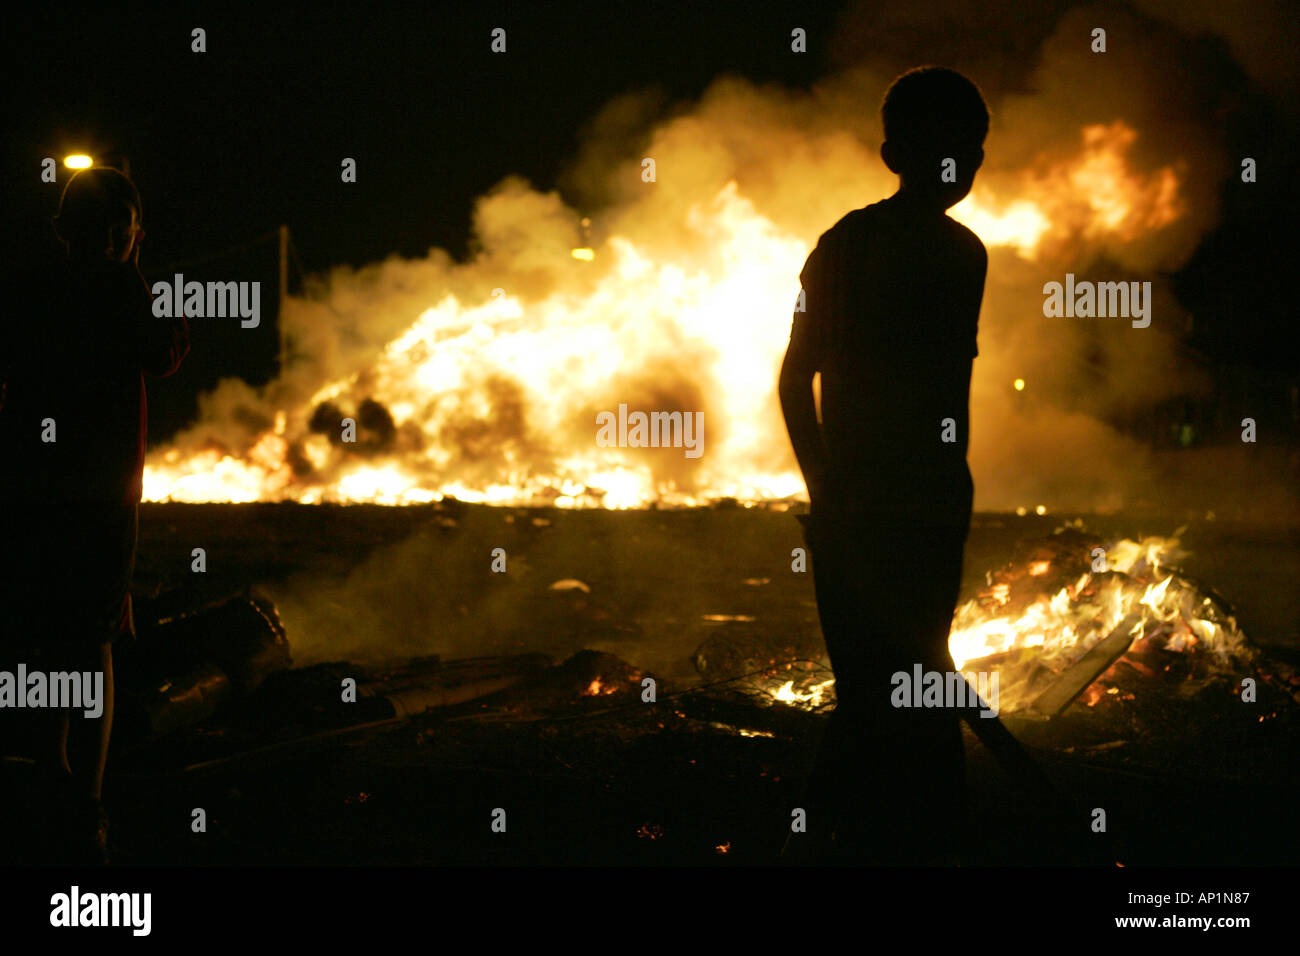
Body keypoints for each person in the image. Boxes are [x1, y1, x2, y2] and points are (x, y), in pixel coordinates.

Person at [779, 67, 989, 864]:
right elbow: (798, 378)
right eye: (948, 147)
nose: (961, 165)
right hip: (888, 508)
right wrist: (832, 491)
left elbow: (804, 381)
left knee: (887, 696)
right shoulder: (869, 250)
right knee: (895, 700)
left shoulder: (940, 253)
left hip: (908, 508)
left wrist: (831, 493)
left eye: (971, 149)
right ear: (895, 152)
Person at [0, 166, 190, 863]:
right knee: (91, 643)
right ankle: (85, 807)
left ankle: (50, 778)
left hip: (26, 487)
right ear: (127, 233)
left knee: (39, 632)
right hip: (101, 496)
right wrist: (135, 271)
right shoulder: (124, 291)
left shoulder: (25, 290)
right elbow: (165, 353)